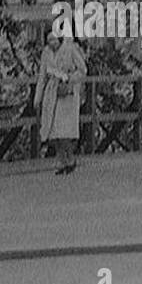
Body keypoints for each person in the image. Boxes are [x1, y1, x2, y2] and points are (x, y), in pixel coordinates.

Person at [33, 29, 87, 175]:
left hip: (67, 93)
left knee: (65, 129)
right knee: (53, 129)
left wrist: (69, 80)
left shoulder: (70, 49)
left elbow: (82, 70)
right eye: (49, 40)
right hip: (52, 92)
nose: (52, 43)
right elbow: (42, 76)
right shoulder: (46, 53)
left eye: (54, 39)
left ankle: (70, 158)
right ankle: (62, 160)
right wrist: (37, 98)